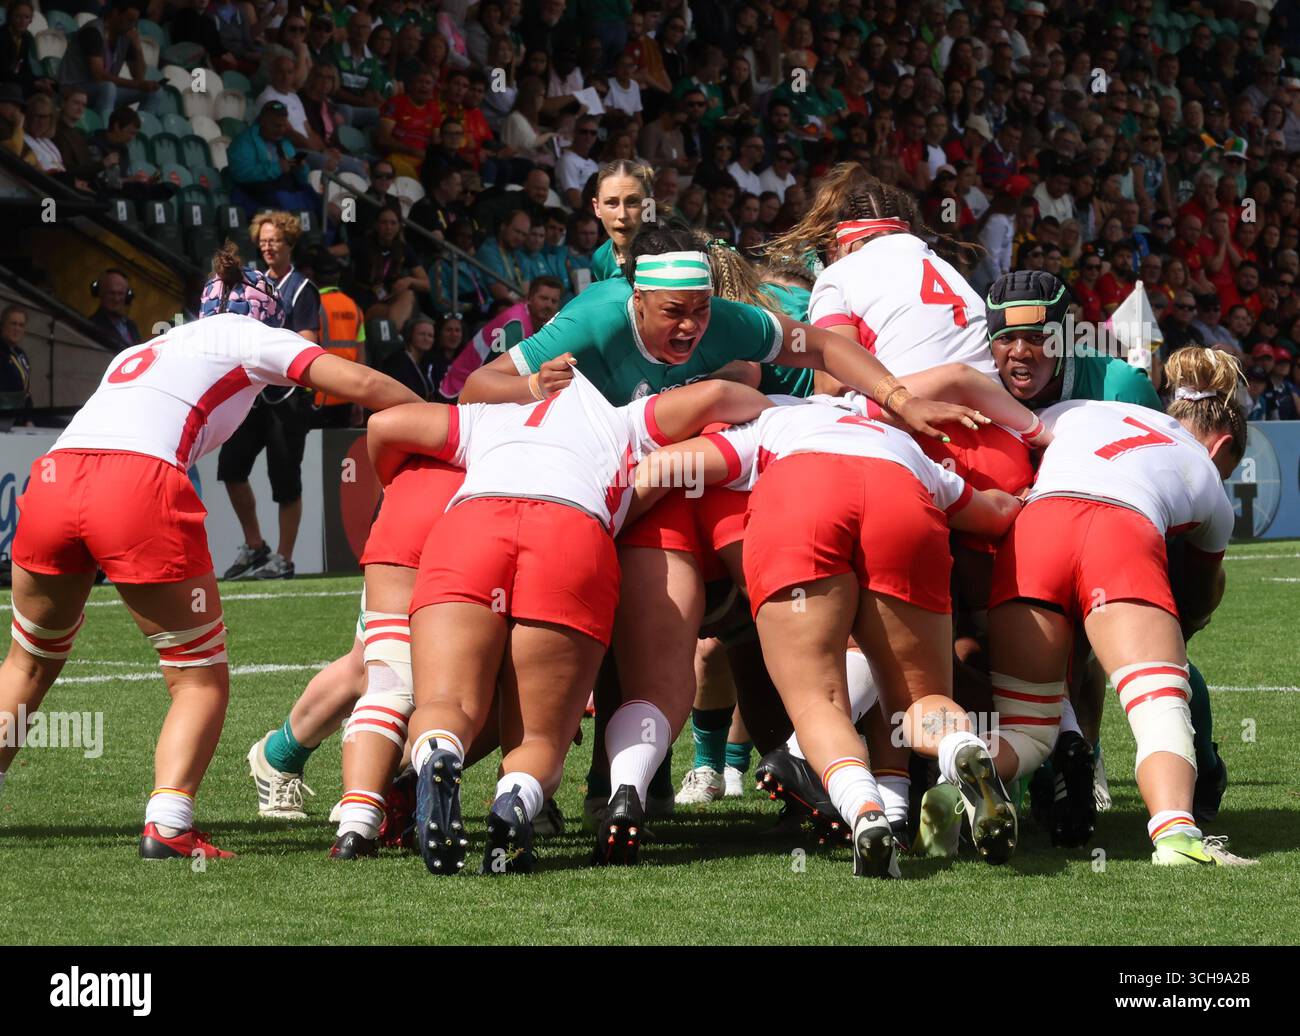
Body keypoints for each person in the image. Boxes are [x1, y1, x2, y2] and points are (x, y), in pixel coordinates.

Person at [0, 246, 419, 859]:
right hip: (135, 483)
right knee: (198, 679)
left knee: (28, 664)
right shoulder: (248, 334)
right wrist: (449, 415)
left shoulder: (144, 347)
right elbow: (358, 381)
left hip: (56, 477)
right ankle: (168, 825)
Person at [365, 367, 773, 874]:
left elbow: (386, 424)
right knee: (539, 737)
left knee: (448, 702)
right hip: (570, 530)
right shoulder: (626, 418)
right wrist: (780, 409)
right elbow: (719, 395)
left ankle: (439, 754)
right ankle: (514, 800)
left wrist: (386, 484)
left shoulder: (490, 416)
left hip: (472, 523)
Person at [632, 393, 1022, 874]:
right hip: (901, 495)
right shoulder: (902, 443)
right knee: (921, 700)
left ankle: (864, 812)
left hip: (803, 497)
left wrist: (610, 514)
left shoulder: (771, 422)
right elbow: (997, 512)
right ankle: (962, 748)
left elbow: (666, 466)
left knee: (820, 701)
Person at [983, 349, 1251, 867]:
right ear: (1220, 446)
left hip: (1034, 530)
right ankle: (1176, 836)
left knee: (1027, 730)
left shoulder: (1079, 410)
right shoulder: (1208, 482)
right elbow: (1196, 596)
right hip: (1121, 536)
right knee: (1159, 705)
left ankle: (958, 771)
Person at [218, 214, 321, 582]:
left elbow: (308, 340)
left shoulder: (302, 288)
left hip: (287, 397)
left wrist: (271, 348)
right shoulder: (249, 285)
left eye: (275, 239)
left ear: (289, 242)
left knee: (285, 480)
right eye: (263, 240)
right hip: (252, 394)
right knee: (231, 468)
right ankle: (255, 545)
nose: (267, 246)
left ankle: (284, 558)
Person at [438, 276, 562, 399]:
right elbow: (506, 373)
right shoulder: (515, 324)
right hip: (460, 389)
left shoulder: (531, 322)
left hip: (476, 388)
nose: (548, 305)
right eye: (544, 298)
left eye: (554, 301)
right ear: (529, 298)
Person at [55, 0, 161, 121]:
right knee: (108, 87)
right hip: (72, 87)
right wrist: (138, 84)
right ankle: (105, 130)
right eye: (129, 20)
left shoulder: (126, 36)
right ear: (115, 14)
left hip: (102, 90)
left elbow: (139, 76)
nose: (132, 25)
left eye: (134, 22)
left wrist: (138, 48)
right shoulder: (93, 31)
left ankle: (138, 134)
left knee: (154, 92)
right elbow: (98, 76)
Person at [227, 101, 316, 216]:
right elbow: (240, 174)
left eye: (284, 125)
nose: (281, 130)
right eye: (276, 125)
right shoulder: (243, 142)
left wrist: (301, 169)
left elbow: (302, 180)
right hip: (256, 195)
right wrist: (277, 168)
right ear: (263, 121)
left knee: (316, 202)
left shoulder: (285, 143)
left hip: (286, 192)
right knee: (287, 204)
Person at [346, 206, 429, 328]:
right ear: (376, 225)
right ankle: (393, 338)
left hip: (390, 300)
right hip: (365, 301)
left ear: (399, 226)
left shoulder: (403, 248)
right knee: (393, 314)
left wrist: (409, 280)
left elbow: (426, 284)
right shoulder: (363, 243)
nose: (388, 227)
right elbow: (335, 251)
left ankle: (392, 336)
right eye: (384, 222)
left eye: (393, 223)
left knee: (408, 294)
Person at [589, 159, 652, 282]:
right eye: (611, 203)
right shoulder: (600, 258)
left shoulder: (672, 253)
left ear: (649, 206)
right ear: (597, 208)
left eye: (632, 202)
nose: (622, 215)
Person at [88, 268, 141, 353]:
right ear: (100, 293)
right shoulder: (92, 325)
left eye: (120, 294)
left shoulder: (132, 326)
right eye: (111, 293)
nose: (116, 299)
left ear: (127, 297)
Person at [0, 303, 32, 409]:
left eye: (21, 325)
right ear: (3, 325)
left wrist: (28, 418)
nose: (17, 329)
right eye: (13, 324)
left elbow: (26, 392)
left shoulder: (21, 354)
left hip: (21, 415)